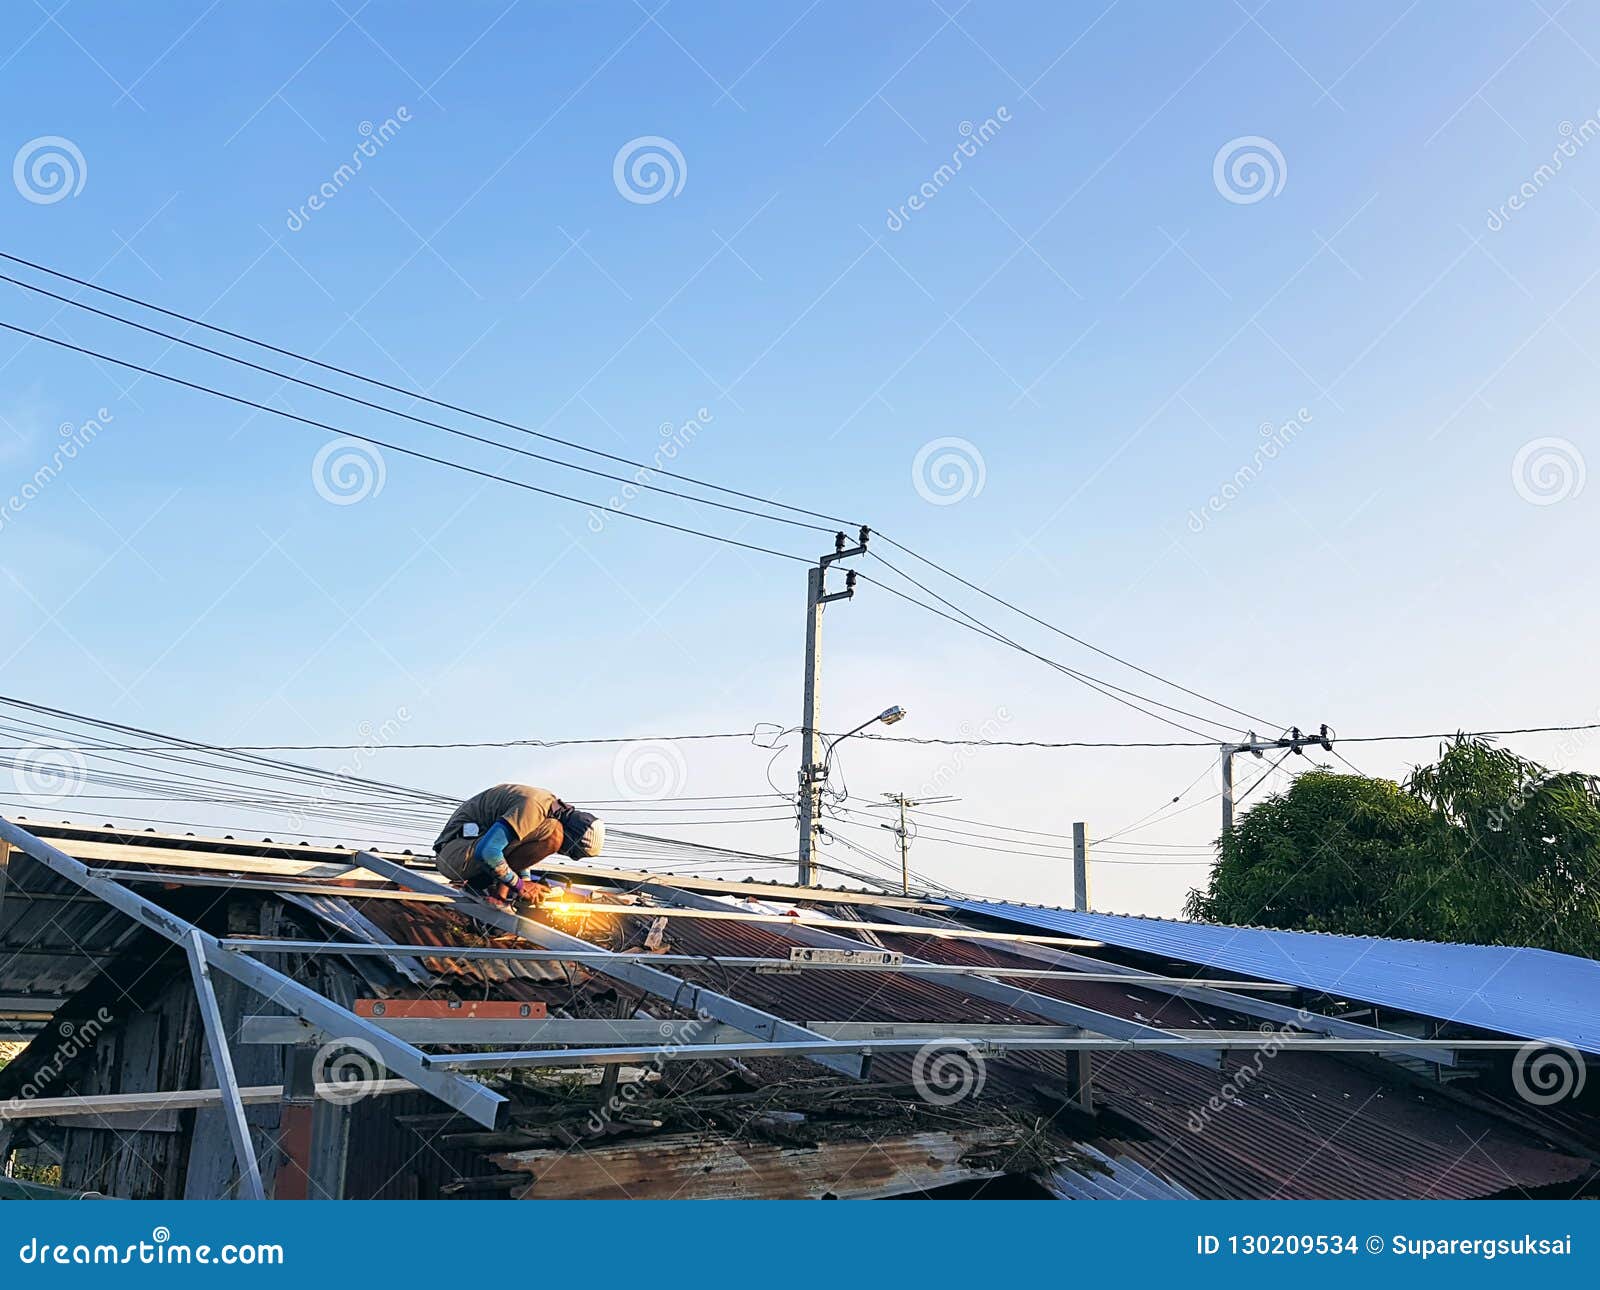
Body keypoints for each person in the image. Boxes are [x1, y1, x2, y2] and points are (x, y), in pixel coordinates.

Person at [432, 784, 605, 907]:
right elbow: (487, 852)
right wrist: (521, 886)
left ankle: (498, 894)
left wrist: (525, 882)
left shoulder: (547, 807)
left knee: (551, 834)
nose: (561, 852)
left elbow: (520, 846)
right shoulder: (537, 810)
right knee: (554, 836)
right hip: (453, 856)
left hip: (464, 853)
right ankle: (491, 890)